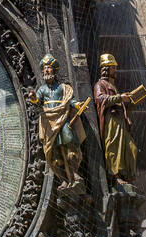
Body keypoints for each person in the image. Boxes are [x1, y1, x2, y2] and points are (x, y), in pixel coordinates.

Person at [29, 53, 86, 191]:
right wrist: (33, 98)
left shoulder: (62, 87)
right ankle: (64, 180)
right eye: (45, 68)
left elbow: (69, 100)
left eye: (49, 68)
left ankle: (75, 174)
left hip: (62, 118)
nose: (47, 70)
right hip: (49, 122)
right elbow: (38, 102)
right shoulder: (42, 89)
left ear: (54, 71)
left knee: (70, 143)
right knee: (54, 153)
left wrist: (77, 105)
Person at [94, 53, 140, 186]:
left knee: (131, 148)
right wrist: (119, 97)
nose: (116, 70)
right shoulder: (100, 84)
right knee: (114, 147)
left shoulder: (113, 86)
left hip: (121, 120)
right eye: (113, 67)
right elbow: (100, 99)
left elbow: (119, 102)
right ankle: (116, 176)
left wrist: (130, 101)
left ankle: (128, 175)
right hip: (112, 121)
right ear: (107, 69)